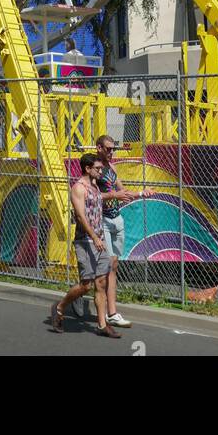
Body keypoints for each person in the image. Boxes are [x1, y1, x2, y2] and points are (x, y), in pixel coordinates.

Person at [52, 155, 120, 337]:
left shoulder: (95, 186)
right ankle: (60, 307)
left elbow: (99, 204)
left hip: (99, 241)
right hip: (85, 241)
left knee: (101, 282)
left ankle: (101, 325)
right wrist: (94, 238)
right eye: (97, 168)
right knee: (86, 285)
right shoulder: (78, 188)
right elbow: (81, 216)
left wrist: (117, 195)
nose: (100, 171)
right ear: (87, 169)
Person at [94, 135, 134, 327]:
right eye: (108, 149)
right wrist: (114, 195)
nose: (111, 152)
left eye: (113, 149)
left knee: (114, 265)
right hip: (102, 221)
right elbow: (92, 196)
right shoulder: (94, 170)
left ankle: (111, 311)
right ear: (99, 148)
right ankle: (112, 312)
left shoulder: (113, 169)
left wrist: (143, 193)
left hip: (116, 220)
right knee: (109, 265)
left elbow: (122, 191)